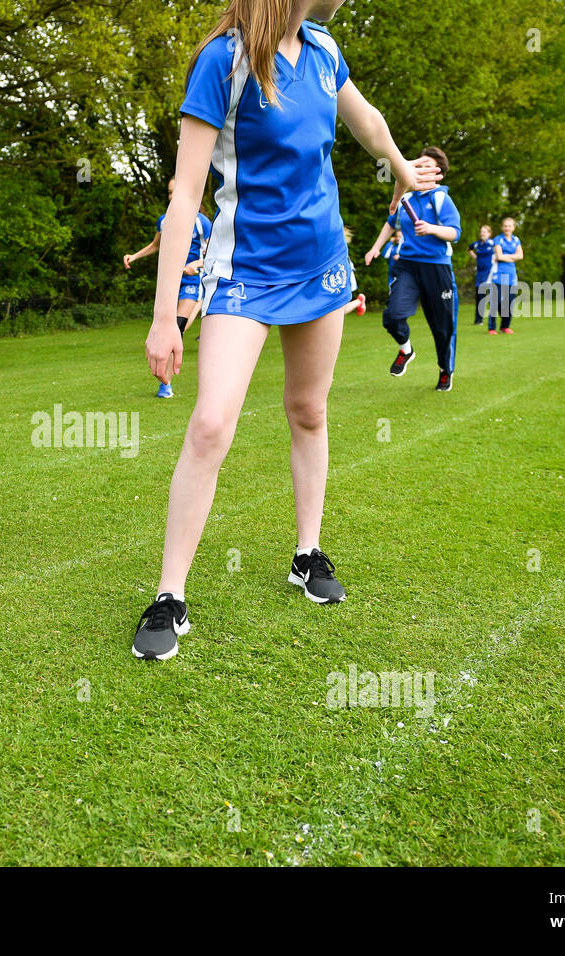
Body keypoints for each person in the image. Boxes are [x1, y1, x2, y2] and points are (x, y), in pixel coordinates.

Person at [132, 0, 440, 660]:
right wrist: (165, 318)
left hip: (322, 263)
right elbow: (185, 196)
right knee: (212, 422)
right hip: (244, 269)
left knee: (308, 409)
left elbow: (366, 120)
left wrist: (398, 165)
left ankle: (307, 553)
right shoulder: (225, 61)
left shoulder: (324, 48)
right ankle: (169, 594)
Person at [364, 146, 461, 391]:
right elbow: (390, 222)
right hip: (407, 266)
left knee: (442, 328)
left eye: (426, 164)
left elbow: (454, 233)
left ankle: (444, 370)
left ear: (437, 172)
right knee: (393, 317)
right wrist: (375, 247)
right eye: (418, 164)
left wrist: (431, 229)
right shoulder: (405, 197)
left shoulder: (441, 198)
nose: (419, 167)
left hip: (436, 269)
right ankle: (406, 350)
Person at [124, 178, 212, 397]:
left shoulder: (203, 223)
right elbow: (156, 245)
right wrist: (134, 256)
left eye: (177, 191)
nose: (172, 196)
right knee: (169, 328)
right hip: (172, 282)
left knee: (177, 327)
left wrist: (196, 264)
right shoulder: (164, 221)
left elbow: (214, 253)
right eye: (170, 192)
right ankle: (166, 383)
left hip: (194, 279)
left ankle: (166, 384)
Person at [488, 217, 522, 334]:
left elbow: (520, 256)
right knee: (495, 302)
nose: (507, 228)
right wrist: (512, 257)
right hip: (499, 275)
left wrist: (505, 256)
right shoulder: (498, 239)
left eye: (509, 226)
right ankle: (492, 328)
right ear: (502, 227)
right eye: (505, 226)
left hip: (512, 276)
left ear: (513, 227)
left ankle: (505, 326)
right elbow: (499, 256)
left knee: (509, 303)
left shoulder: (516, 240)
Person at [467, 225, 495, 327]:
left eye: (485, 232)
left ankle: (492, 321)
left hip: (490, 274)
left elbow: (499, 252)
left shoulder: (492, 243)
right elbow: (469, 249)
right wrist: (476, 258)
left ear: (489, 234)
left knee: (492, 297)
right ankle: (478, 320)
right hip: (480, 274)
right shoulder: (476, 244)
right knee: (480, 297)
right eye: (481, 232)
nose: (482, 234)